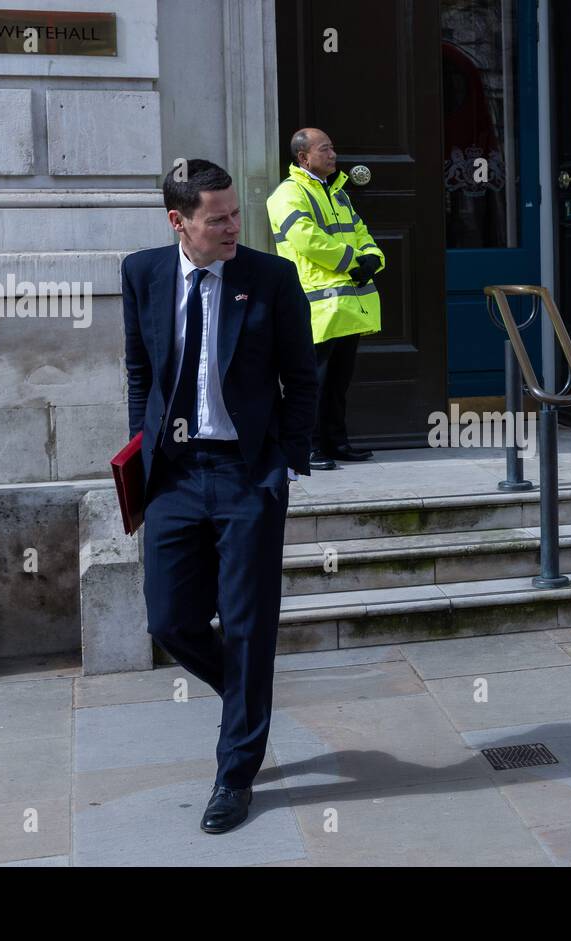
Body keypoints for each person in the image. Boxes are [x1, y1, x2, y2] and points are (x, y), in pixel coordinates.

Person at [122, 159, 318, 834]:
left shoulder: (271, 277)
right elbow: (139, 368)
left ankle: (234, 772)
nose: (234, 226)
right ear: (178, 222)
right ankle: (248, 692)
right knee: (169, 621)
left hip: (245, 473)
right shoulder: (141, 272)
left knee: (246, 622)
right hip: (174, 473)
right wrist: (139, 449)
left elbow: (303, 376)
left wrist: (283, 462)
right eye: (218, 218)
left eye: (237, 213)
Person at [266, 127, 385, 470]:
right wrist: (353, 262)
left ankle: (335, 442)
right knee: (310, 383)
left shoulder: (338, 194)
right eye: (325, 149)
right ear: (303, 158)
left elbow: (361, 232)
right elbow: (306, 239)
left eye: (332, 148)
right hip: (315, 304)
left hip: (346, 304)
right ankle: (306, 447)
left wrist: (373, 259)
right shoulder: (287, 194)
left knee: (337, 381)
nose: (333, 154)